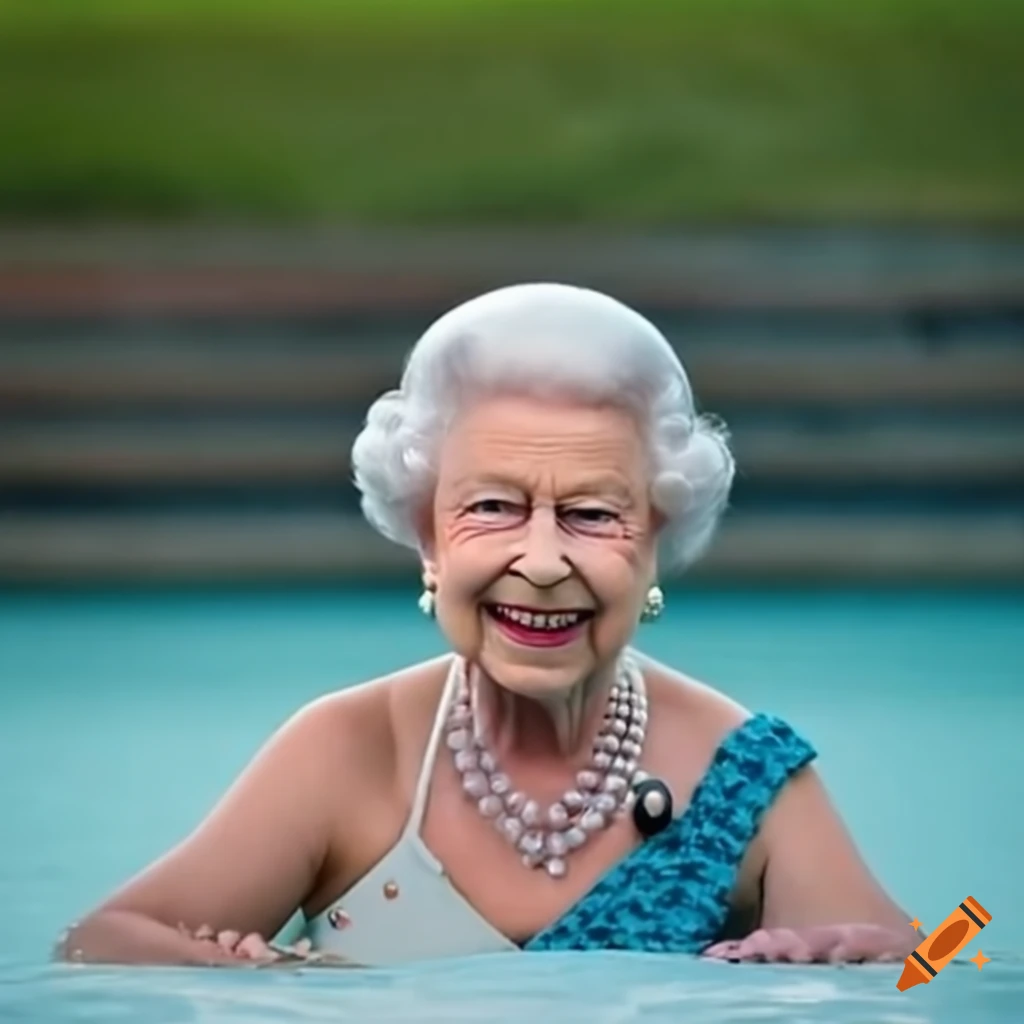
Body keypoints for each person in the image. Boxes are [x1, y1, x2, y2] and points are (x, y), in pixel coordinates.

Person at [58, 283, 917, 968]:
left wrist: (872, 963)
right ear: (426, 533)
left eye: (589, 514)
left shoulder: (749, 777)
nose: (541, 561)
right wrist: (259, 987)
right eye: (494, 508)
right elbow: (98, 944)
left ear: (655, 538)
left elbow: (952, 961)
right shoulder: (344, 753)